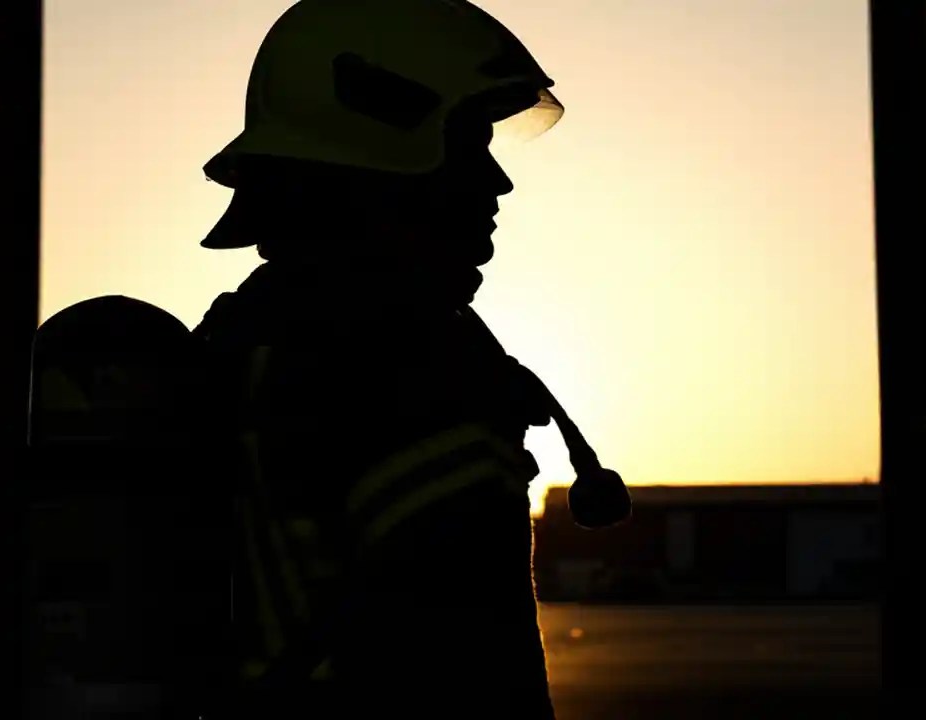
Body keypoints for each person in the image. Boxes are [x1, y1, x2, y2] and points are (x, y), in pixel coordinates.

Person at [190, 1, 629, 716]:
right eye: (468, 145)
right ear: (379, 151)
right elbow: (472, 676)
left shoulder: (241, 342)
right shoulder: (410, 374)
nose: (497, 183)